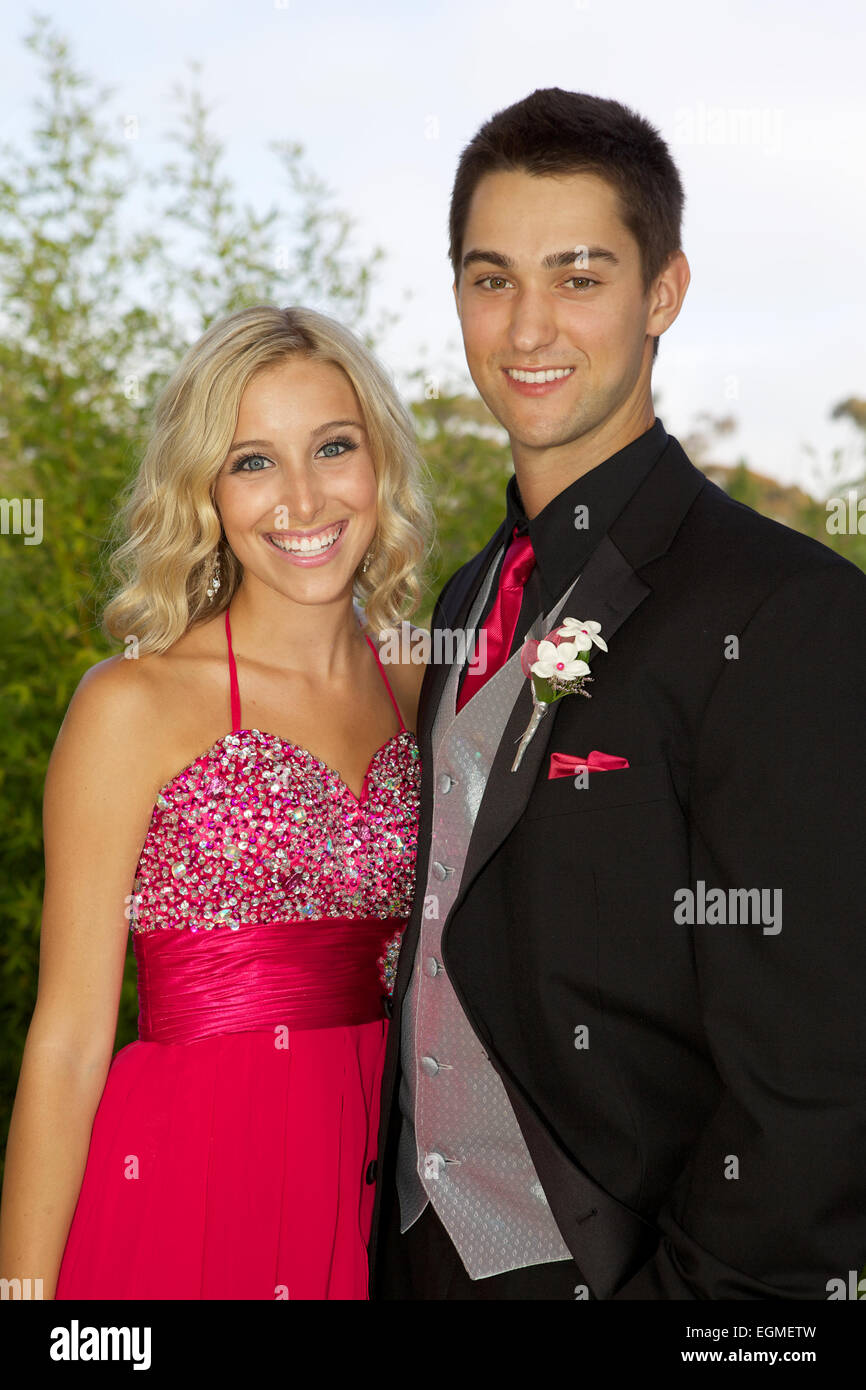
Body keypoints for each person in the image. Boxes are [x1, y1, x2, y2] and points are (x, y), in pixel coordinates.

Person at [370, 88, 866, 1300]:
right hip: (406, 1253)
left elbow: (816, 1085)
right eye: (491, 279)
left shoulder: (782, 609)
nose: (528, 324)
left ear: (662, 293)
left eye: (578, 276)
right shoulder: (462, 599)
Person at [0, 304, 431, 1300]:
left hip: (393, 1179)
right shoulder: (133, 701)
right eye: (251, 462)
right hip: (193, 1179)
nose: (301, 497)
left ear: (380, 464)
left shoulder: (420, 684)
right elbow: (67, 1039)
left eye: (332, 447)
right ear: (204, 489)